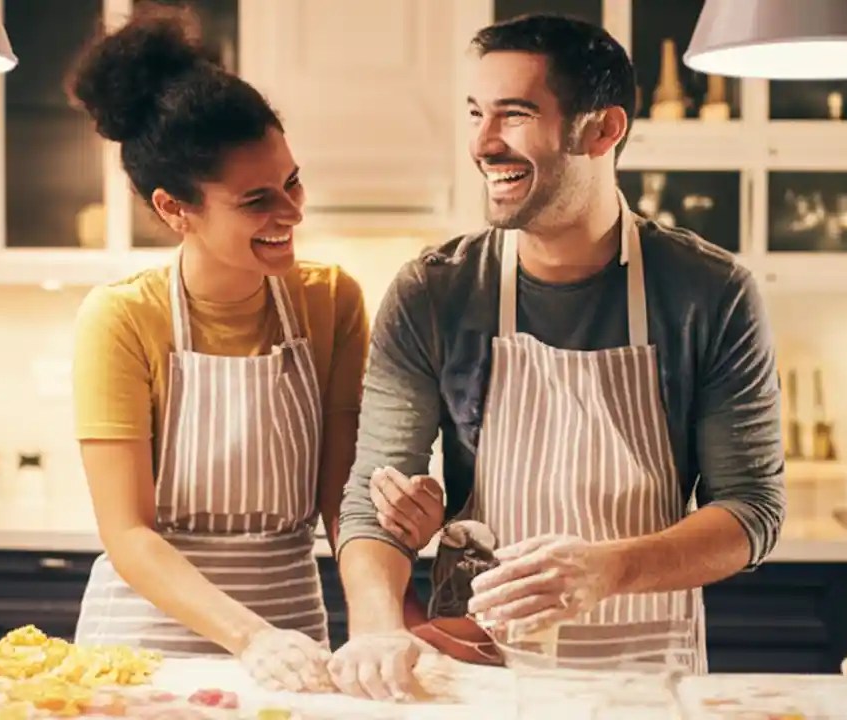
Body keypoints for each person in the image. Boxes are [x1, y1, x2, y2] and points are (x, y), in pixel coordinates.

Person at [330, 13, 785, 700]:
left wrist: (609, 569)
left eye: (514, 115)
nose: (483, 144)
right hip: (476, 670)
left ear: (603, 130)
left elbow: (751, 509)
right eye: (476, 114)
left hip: (649, 674)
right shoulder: (436, 291)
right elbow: (373, 502)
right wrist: (375, 627)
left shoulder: (708, 294)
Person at [66, 6, 369, 694]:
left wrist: (384, 622)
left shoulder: (332, 302)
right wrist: (248, 636)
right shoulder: (120, 318)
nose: (291, 213)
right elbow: (129, 534)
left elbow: (341, 500)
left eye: (292, 182)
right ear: (176, 209)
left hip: (292, 630)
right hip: (143, 640)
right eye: (257, 200)